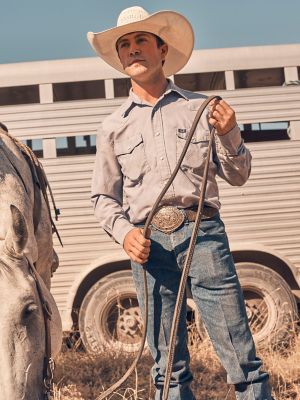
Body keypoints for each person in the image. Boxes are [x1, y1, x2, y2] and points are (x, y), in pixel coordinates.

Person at [89, 6, 273, 400]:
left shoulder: (201, 108)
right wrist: (125, 235)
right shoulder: (112, 127)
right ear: (121, 59)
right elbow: (104, 198)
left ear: (162, 51)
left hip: (203, 235)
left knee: (240, 355)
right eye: (125, 45)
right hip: (148, 245)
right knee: (167, 367)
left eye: (141, 41)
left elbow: (238, 174)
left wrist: (230, 134)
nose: (133, 50)